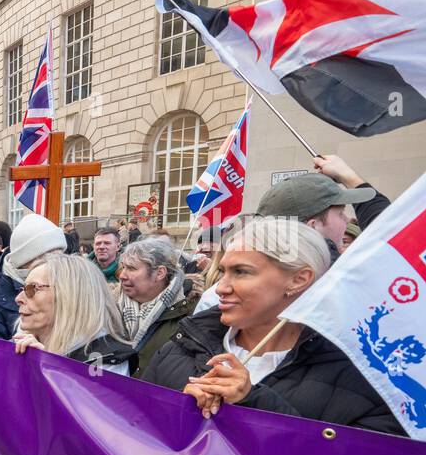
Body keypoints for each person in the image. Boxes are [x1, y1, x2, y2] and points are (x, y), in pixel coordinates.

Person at [144, 217, 400, 433]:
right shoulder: (182, 344)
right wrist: (178, 408)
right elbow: (135, 432)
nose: (221, 287)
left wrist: (254, 402)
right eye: (223, 272)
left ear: (299, 279)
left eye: (241, 272)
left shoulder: (358, 372)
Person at [12, 255, 134, 375]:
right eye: (22, 289)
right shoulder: (21, 344)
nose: (18, 298)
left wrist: (49, 369)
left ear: (70, 296)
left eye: (32, 289)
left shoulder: (105, 359)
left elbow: (82, 395)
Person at [255, 155, 388, 261]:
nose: (347, 220)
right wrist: (347, 175)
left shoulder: (264, 273)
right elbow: (390, 231)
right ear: (313, 227)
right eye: (341, 213)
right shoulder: (339, 278)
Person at [0, 212, 65, 340]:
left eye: (60, 255)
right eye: (48, 256)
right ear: (24, 260)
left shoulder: (71, 285)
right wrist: (26, 347)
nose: (56, 263)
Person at [115, 237, 200, 377]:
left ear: (160, 273)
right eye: (123, 267)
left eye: (131, 268)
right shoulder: (111, 307)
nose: (122, 275)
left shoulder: (192, 313)